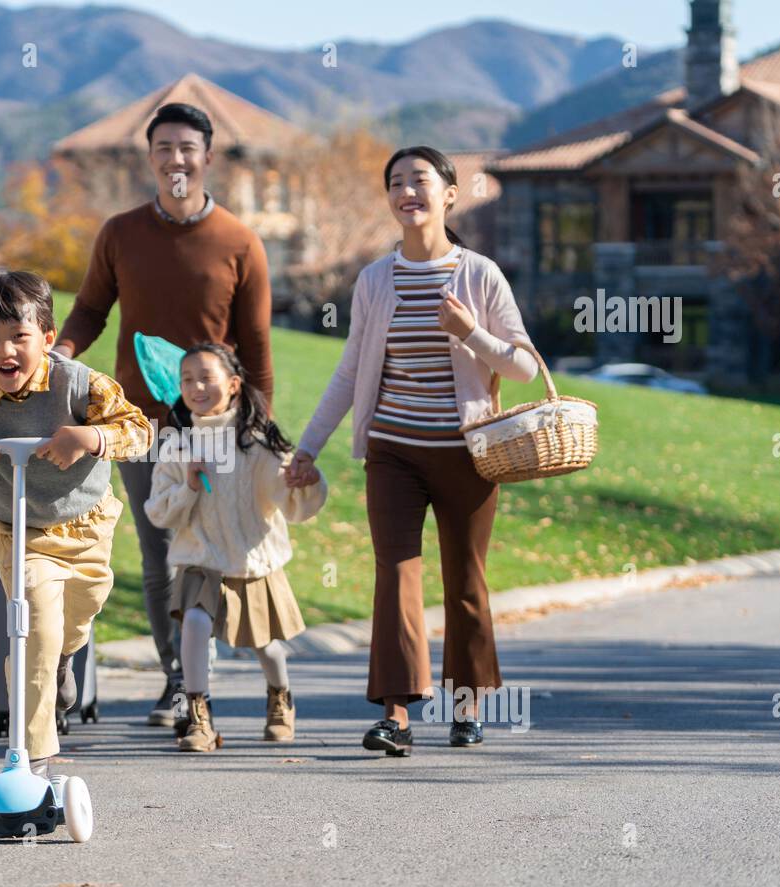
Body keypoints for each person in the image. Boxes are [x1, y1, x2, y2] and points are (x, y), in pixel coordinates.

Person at [285, 146, 539, 757]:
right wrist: (308, 447)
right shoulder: (375, 280)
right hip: (393, 452)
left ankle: (466, 708)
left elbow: (525, 366)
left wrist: (471, 334)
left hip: (467, 453)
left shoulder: (480, 275)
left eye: (419, 180)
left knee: (465, 580)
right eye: (395, 182)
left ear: (449, 194)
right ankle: (395, 716)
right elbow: (350, 372)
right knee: (395, 575)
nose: (406, 192)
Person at [53, 101, 274, 727]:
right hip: (139, 424)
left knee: (206, 551)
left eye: (187, 148)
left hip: (213, 426)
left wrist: (259, 430)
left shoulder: (240, 241)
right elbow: (91, 310)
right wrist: (60, 353)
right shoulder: (120, 233)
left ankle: (201, 675)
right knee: (158, 554)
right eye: (164, 148)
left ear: (208, 157)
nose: (176, 159)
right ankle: (178, 680)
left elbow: (257, 347)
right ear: (149, 158)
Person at [0, 266, 152, 775]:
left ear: (47, 338)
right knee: (31, 631)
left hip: (86, 524)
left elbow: (138, 432)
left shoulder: (81, 385)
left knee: (77, 617)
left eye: (19, 336)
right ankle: (33, 758)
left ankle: (65, 660)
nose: (5, 350)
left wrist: (89, 438)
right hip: (19, 532)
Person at [145, 343, 326, 751]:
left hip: (250, 560)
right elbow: (158, 511)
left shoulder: (258, 443)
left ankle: (280, 697)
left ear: (233, 385)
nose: (196, 387)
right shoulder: (178, 446)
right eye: (187, 380)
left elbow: (292, 503)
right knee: (194, 624)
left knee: (266, 646)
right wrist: (189, 486)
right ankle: (199, 719)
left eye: (206, 377)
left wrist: (308, 482)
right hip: (200, 559)